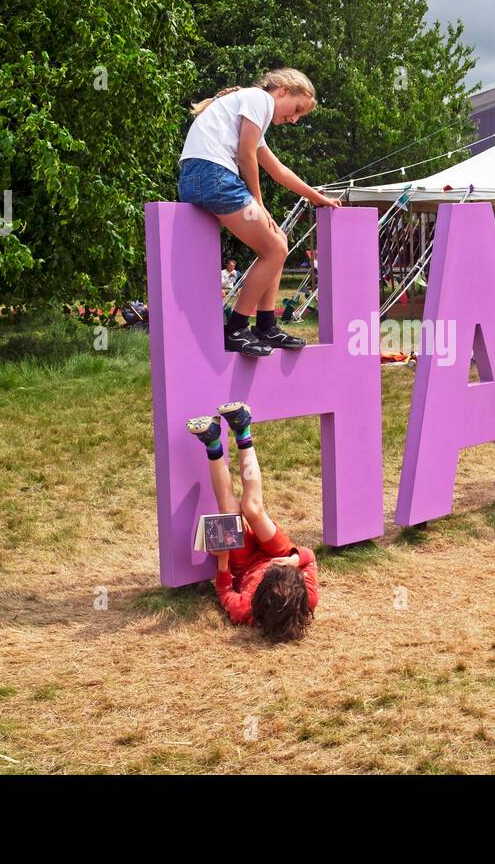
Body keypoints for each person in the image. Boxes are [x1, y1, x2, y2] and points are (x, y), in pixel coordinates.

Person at [178, 68, 341, 357]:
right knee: (275, 247)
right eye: (297, 109)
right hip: (214, 176)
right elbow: (245, 155)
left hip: (198, 177)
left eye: (299, 117)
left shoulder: (249, 108)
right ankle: (236, 328)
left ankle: (266, 324)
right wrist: (259, 202)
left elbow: (278, 170)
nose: (294, 118)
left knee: (279, 241)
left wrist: (317, 197)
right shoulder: (258, 99)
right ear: (283, 90)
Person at [188, 402, 319, 642]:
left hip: (245, 564)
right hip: (276, 551)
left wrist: (224, 561)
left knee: (229, 513)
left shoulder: (245, 609)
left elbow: (224, 591)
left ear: (259, 599)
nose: (271, 570)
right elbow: (310, 559)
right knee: (252, 508)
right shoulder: (309, 597)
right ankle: (242, 428)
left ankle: (212, 442)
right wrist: (293, 560)